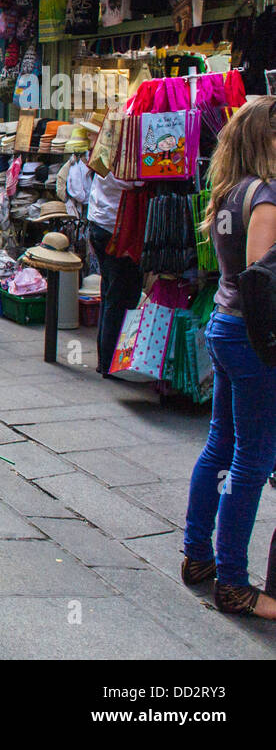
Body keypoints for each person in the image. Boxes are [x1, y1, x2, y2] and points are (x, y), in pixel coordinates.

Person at [182, 97, 276, 618]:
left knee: (222, 446)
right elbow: (263, 280)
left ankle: (198, 558)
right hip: (251, 337)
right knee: (252, 458)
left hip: (226, 326)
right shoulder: (265, 196)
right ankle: (234, 582)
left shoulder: (229, 192)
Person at [84, 171, 142, 375]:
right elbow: (135, 182)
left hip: (100, 222)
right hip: (117, 228)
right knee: (120, 297)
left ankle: (105, 360)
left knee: (110, 294)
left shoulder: (105, 147)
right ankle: (110, 363)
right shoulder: (126, 159)